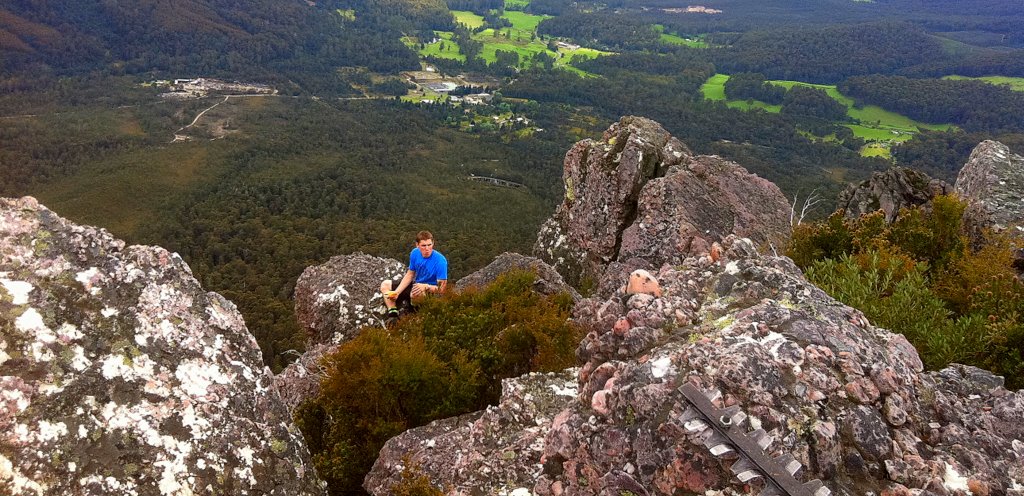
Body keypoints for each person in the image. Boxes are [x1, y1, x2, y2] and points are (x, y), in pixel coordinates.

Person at [380, 231, 448, 322]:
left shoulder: (440, 261)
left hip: (430, 292)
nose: (427, 248)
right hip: (416, 284)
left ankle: (414, 313)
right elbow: (410, 274)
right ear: (417, 245)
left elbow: (442, 289)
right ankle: (393, 314)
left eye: (429, 245)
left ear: (433, 243)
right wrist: (397, 292)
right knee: (385, 285)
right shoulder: (415, 253)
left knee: (415, 293)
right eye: (423, 246)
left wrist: (426, 287)